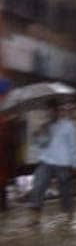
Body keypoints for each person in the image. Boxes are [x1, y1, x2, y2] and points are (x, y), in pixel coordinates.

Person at [28, 98, 76, 224]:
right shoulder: (45, 126)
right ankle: (35, 217)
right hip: (46, 161)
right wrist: (37, 135)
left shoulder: (69, 126)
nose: (50, 114)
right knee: (38, 186)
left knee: (65, 190)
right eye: (48, 112)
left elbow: (75, 146)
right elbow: (41, 145)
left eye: (53, 111)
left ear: (58, 111)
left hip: (63, 163)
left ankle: (69, 215)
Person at [0, 81, 19, 212]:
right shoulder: (6, 121)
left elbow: (10, 141)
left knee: (2, 182)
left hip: (3, 158)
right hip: (4, 158)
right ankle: (3, 205)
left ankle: (3, 205)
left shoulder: (5, 121)